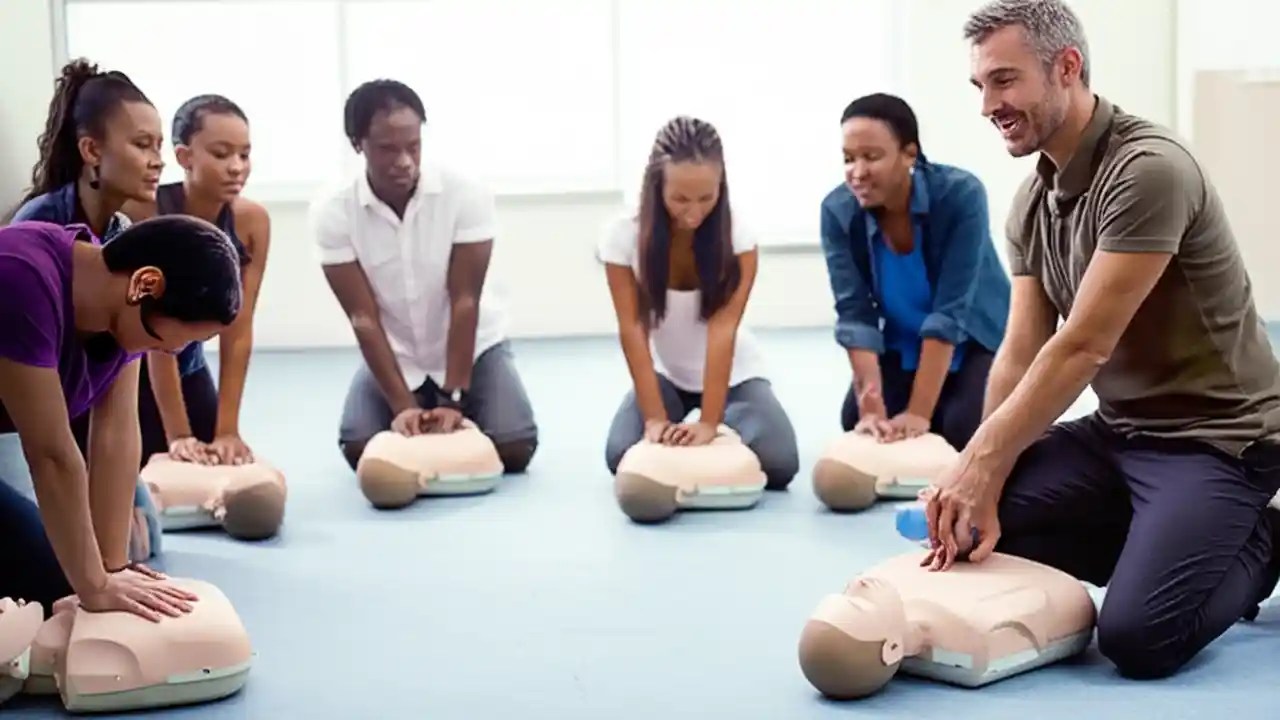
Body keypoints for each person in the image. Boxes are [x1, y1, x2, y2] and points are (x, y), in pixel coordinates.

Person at [922, 0, 1280, 681]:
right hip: (1121, 432)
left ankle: (1261, 538)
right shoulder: (1031, 202)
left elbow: (1082, 346)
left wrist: (982, 468)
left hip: (1218, 442)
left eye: (1004, 80)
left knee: (1139, 637)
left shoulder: (1150, 170)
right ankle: (1176, 539)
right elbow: (1023, 349)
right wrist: (973, 471)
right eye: (980, 86)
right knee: (981, 529)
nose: (988, 104)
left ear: (1067, 67)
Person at [0, 215, 242, 619]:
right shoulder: (20, 276)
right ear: (146, 284)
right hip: (27, 449)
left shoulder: (122, 308)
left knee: (69, 578)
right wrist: (93, 586)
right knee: (48, 591)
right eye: (184, 337)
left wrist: (111, 570)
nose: (174, 351)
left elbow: (115, 432)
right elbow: (51, 455)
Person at [310, 79, 538, 474]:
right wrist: (401, 406)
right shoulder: (333, 210)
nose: (404, 161)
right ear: (357, 143)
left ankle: (446, 403)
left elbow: (465, 301)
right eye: (387, 149)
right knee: (358, 448)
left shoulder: (465, 192)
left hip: (473, 345)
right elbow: (362, 317)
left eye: (413, 146)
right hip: (396, 349)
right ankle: (417, 402)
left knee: (515, 446)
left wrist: (453, 398)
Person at [7, 57, 166, 561]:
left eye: (159, 146)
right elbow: (48, 438)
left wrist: (111, 562)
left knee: (141, 543)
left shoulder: (121, 237)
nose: (157, 160)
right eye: (143, 145)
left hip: (76, 414)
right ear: (92, 150)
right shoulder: (36, 231)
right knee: (65, 560)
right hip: (28, 420)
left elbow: (118, 413)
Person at [600, 116, 800, 490]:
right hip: (668, 376)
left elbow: (723, 328)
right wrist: (655, 419)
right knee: (620, 455)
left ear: (721, 186)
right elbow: (632, 328)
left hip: (736, 374)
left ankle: (727, 422)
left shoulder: (739, 237)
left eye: (706, 197)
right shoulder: (622, 236)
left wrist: (709, 422)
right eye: (679, 198)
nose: (693, 211)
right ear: (656, 186)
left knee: (780, 462)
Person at [820, 93, 1009, 450]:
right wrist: (871, 405)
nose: (857, 172)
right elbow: (854, 314)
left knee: (961, 430)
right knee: (854, 419)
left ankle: (947, 404)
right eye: (849, 159)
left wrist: (919, 413)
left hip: (974, 343)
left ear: (909, 154)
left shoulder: (961, 195)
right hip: (903, 344)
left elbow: (950, 313)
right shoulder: (838, 211)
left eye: (871, 157)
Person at [123, 94, 270, 466]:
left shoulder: (251, 222)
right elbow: (154, 332)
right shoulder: (145, 210)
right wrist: (178, 435)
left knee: (222, 460)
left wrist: (228, 430)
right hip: (129, 374)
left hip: (188, 367)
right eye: (221, 154)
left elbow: (238, 328)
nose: (236, 167)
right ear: (185, 157)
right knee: (158, 464)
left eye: (244, 154)